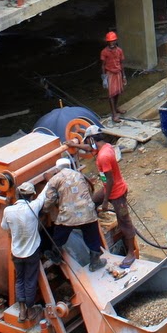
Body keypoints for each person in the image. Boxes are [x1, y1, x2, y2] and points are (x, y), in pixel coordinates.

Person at [37, 157, 105, 272]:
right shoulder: (79, 175)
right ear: (69, 166)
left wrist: (44, 211)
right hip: (87, 211)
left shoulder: (54, 179)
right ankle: (95, 262)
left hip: (68, 214)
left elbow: (50, 199)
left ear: (57, 169)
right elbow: (89, 189)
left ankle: (56, 255)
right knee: (92, 235)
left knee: (59, 234)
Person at [84, 124, 138, 268]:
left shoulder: (104, 156)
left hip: (116, 193)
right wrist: (74, 146)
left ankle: (131, 253)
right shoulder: (106, 146)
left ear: (92, 139)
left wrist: (106, 202)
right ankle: (96, 229)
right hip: (108, 188)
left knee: (124, 222)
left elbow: (110, 181)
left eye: (88, 141)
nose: (88, 145)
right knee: (92, 203)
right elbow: (89, 148)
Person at [0, 181, 44, 322]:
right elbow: (43, 196)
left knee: (20, 279)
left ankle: (22, 311)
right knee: (30, 280)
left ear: (18, 194)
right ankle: (30, 310)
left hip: (17, 253)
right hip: (32, 253)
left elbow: (4, 227)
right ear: (31, 196)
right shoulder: (34, 206)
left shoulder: (8, 211)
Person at [99, 31, 126, 122]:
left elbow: (121, 63)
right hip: (110, 74)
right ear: (107, 42)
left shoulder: (119, 50)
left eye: (113, 41)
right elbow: (103, 65)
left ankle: (116, 108)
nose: (112, 43)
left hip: (118, 73)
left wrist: (124, 76)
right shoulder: (104, 52)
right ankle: (114, 114)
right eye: (110, 41)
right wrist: (104, 78)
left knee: (117, 92)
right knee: (111, 94)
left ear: (115, 41)